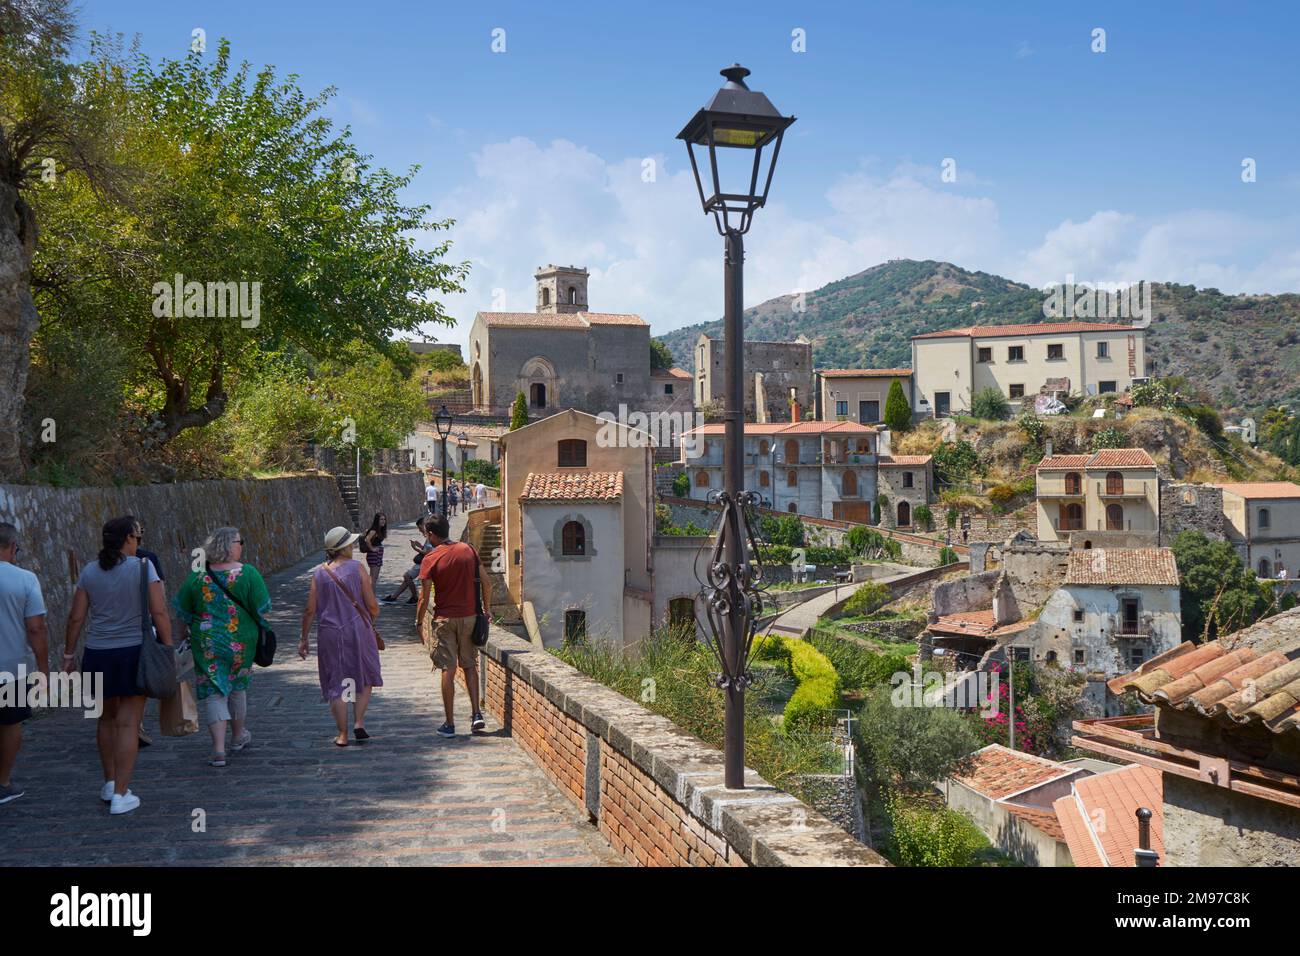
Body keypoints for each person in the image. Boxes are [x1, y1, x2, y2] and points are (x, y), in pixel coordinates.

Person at [63, 516, 172, 815]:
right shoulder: (142, 568)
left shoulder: (89, 571)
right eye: (137, 537)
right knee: (128, 723)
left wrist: (69, 655)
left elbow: (76, 618)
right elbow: (159, 611)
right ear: (127, 539)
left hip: (97, 653)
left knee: (105, 719)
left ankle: (109, 782)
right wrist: (168, 647)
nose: (139, 542)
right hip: (132, 653)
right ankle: (122, 795)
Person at [174, 527, 271, 768]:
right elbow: (263, 607)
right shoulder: (248, 573)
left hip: (207, 643)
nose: (242, 546)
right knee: (237, 687)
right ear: (229, 545)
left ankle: (218, 750)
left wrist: (182, 633)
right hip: (241, 643)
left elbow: (182, 610)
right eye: (240, 541)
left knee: (214, 692)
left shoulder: (198, 576)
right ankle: (238, 737)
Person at [299, 526, 383, 746]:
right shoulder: (357, 569)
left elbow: (309, 609)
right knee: (364, 676)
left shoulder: (319, 572)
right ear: (343, 547)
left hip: (329, 633)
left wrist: (303, 638)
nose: (353, 547)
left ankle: (342, 734)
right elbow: (372, 604)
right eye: (351, 544)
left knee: (338, 681)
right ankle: (359, 722)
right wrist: (373, 614)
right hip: (357, 630)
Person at [417, 514, 491, 738]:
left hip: (445, 620)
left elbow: (424, 596)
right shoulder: (468, 550)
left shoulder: (430, 558)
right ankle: (477, 714)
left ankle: (449, 724)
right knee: (469, 665)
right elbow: (487, 584)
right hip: (470, 617)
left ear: (430, 534)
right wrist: (486, 610)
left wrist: (419, 622)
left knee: (447, 670)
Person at [0, 523, 48, 805]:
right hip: (12, 667)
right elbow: (36, 629)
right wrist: (43, 669)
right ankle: (3, 781)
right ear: (13, 547)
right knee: (9, 724)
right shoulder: (25, 579)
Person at [382, 516, 434, 605]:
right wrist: (420, 546)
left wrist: (415, 548)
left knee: (407, 576)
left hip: (424, 562)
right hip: (424, 561)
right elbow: (428, 549)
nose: (420, 530)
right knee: (407, 579)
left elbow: (428, 553)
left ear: (423, 525)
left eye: (420, 528)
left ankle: (414, 597)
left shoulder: (430, 536)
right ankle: (394, 596)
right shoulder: (429, 536)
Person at [359, 512, 387, 592]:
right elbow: (367, 540)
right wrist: (372, 549)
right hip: (374, 555)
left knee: (374, 578)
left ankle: (372, 597)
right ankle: (371, 598)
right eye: (381, 519)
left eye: (384, 519)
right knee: (372, 579)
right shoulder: (374, 530)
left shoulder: (379, 530)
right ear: (377, 520)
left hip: (378, 555)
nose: (383, 521)